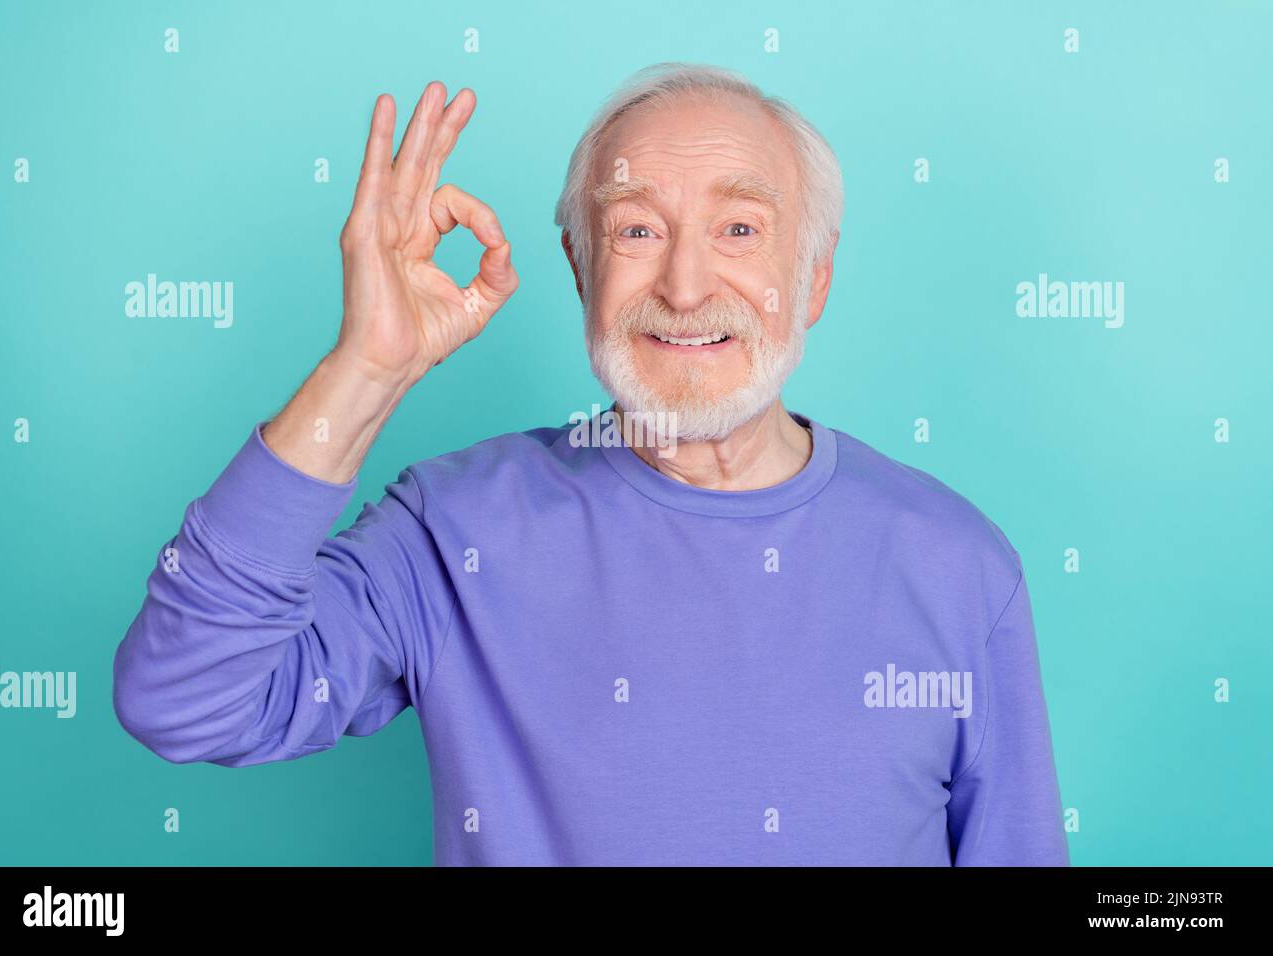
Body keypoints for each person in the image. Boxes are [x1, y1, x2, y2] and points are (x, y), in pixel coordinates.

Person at [113, 63, 1070, 866]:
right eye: (637, 231)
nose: (685, 286)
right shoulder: (452, 532)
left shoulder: (957, 565)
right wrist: (367, 367)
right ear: (581, 268)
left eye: (739, 230)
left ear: (814, 278)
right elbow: (187, 699)